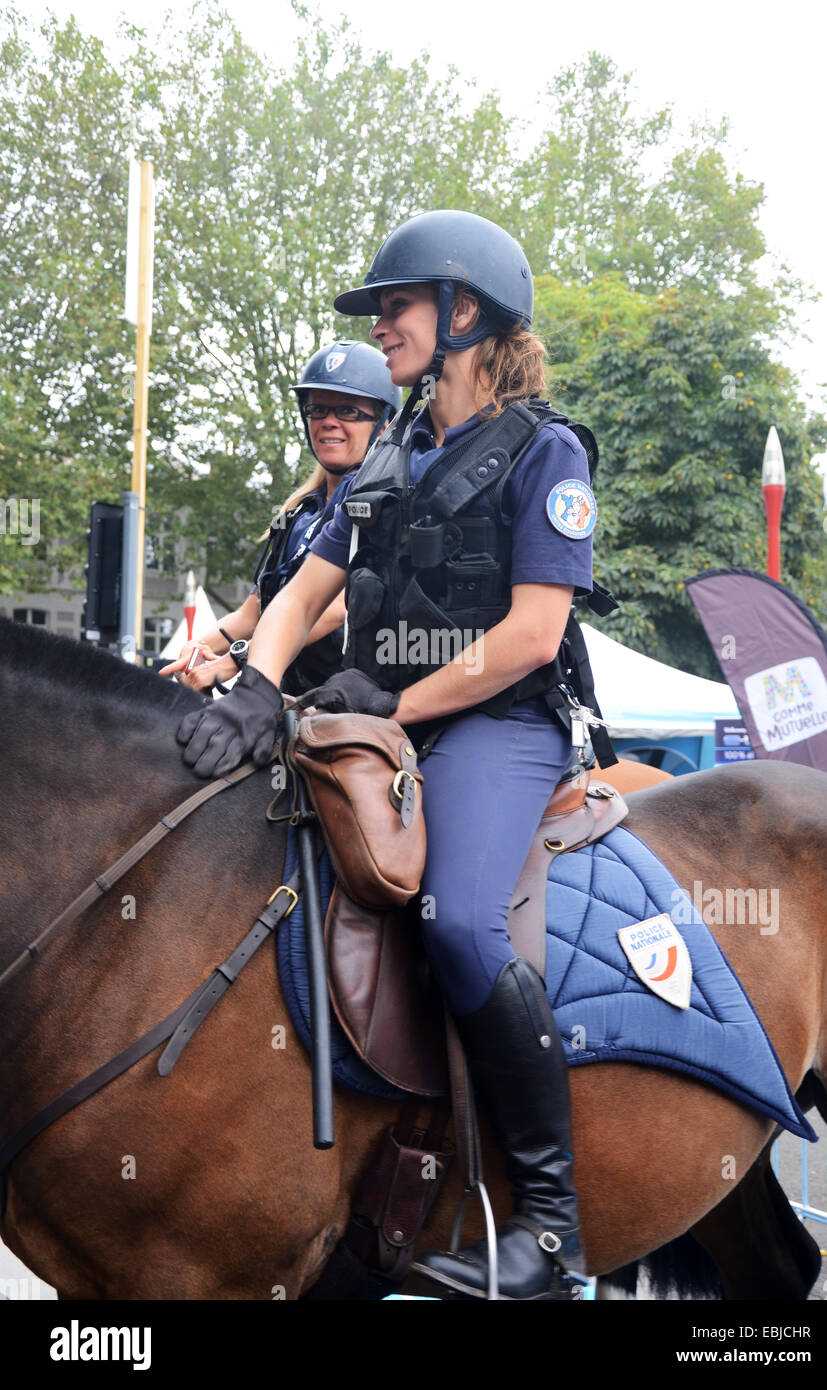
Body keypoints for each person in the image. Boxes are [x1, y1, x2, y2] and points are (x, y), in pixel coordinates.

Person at [175, 209, 616, 1300]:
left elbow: (529, 634)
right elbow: (299, 596)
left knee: (459, 923)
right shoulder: (387, 454)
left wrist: (403, 699)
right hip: (376, 720)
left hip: (498, 726)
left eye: (398, 306)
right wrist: (256, 684)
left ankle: (551, 1233)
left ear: (465, 313)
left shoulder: (547, 452)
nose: (384, 326)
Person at [159, 340, 400, 693]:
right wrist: (202, 645)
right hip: (283, 695)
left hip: (351, 705)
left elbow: (331, 608)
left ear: (383, 424)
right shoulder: (299, 512)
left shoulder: (384, 505)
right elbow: (252, 613)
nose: (328, 422)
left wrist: (236, 660)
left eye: (348, 411)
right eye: (318, 410)